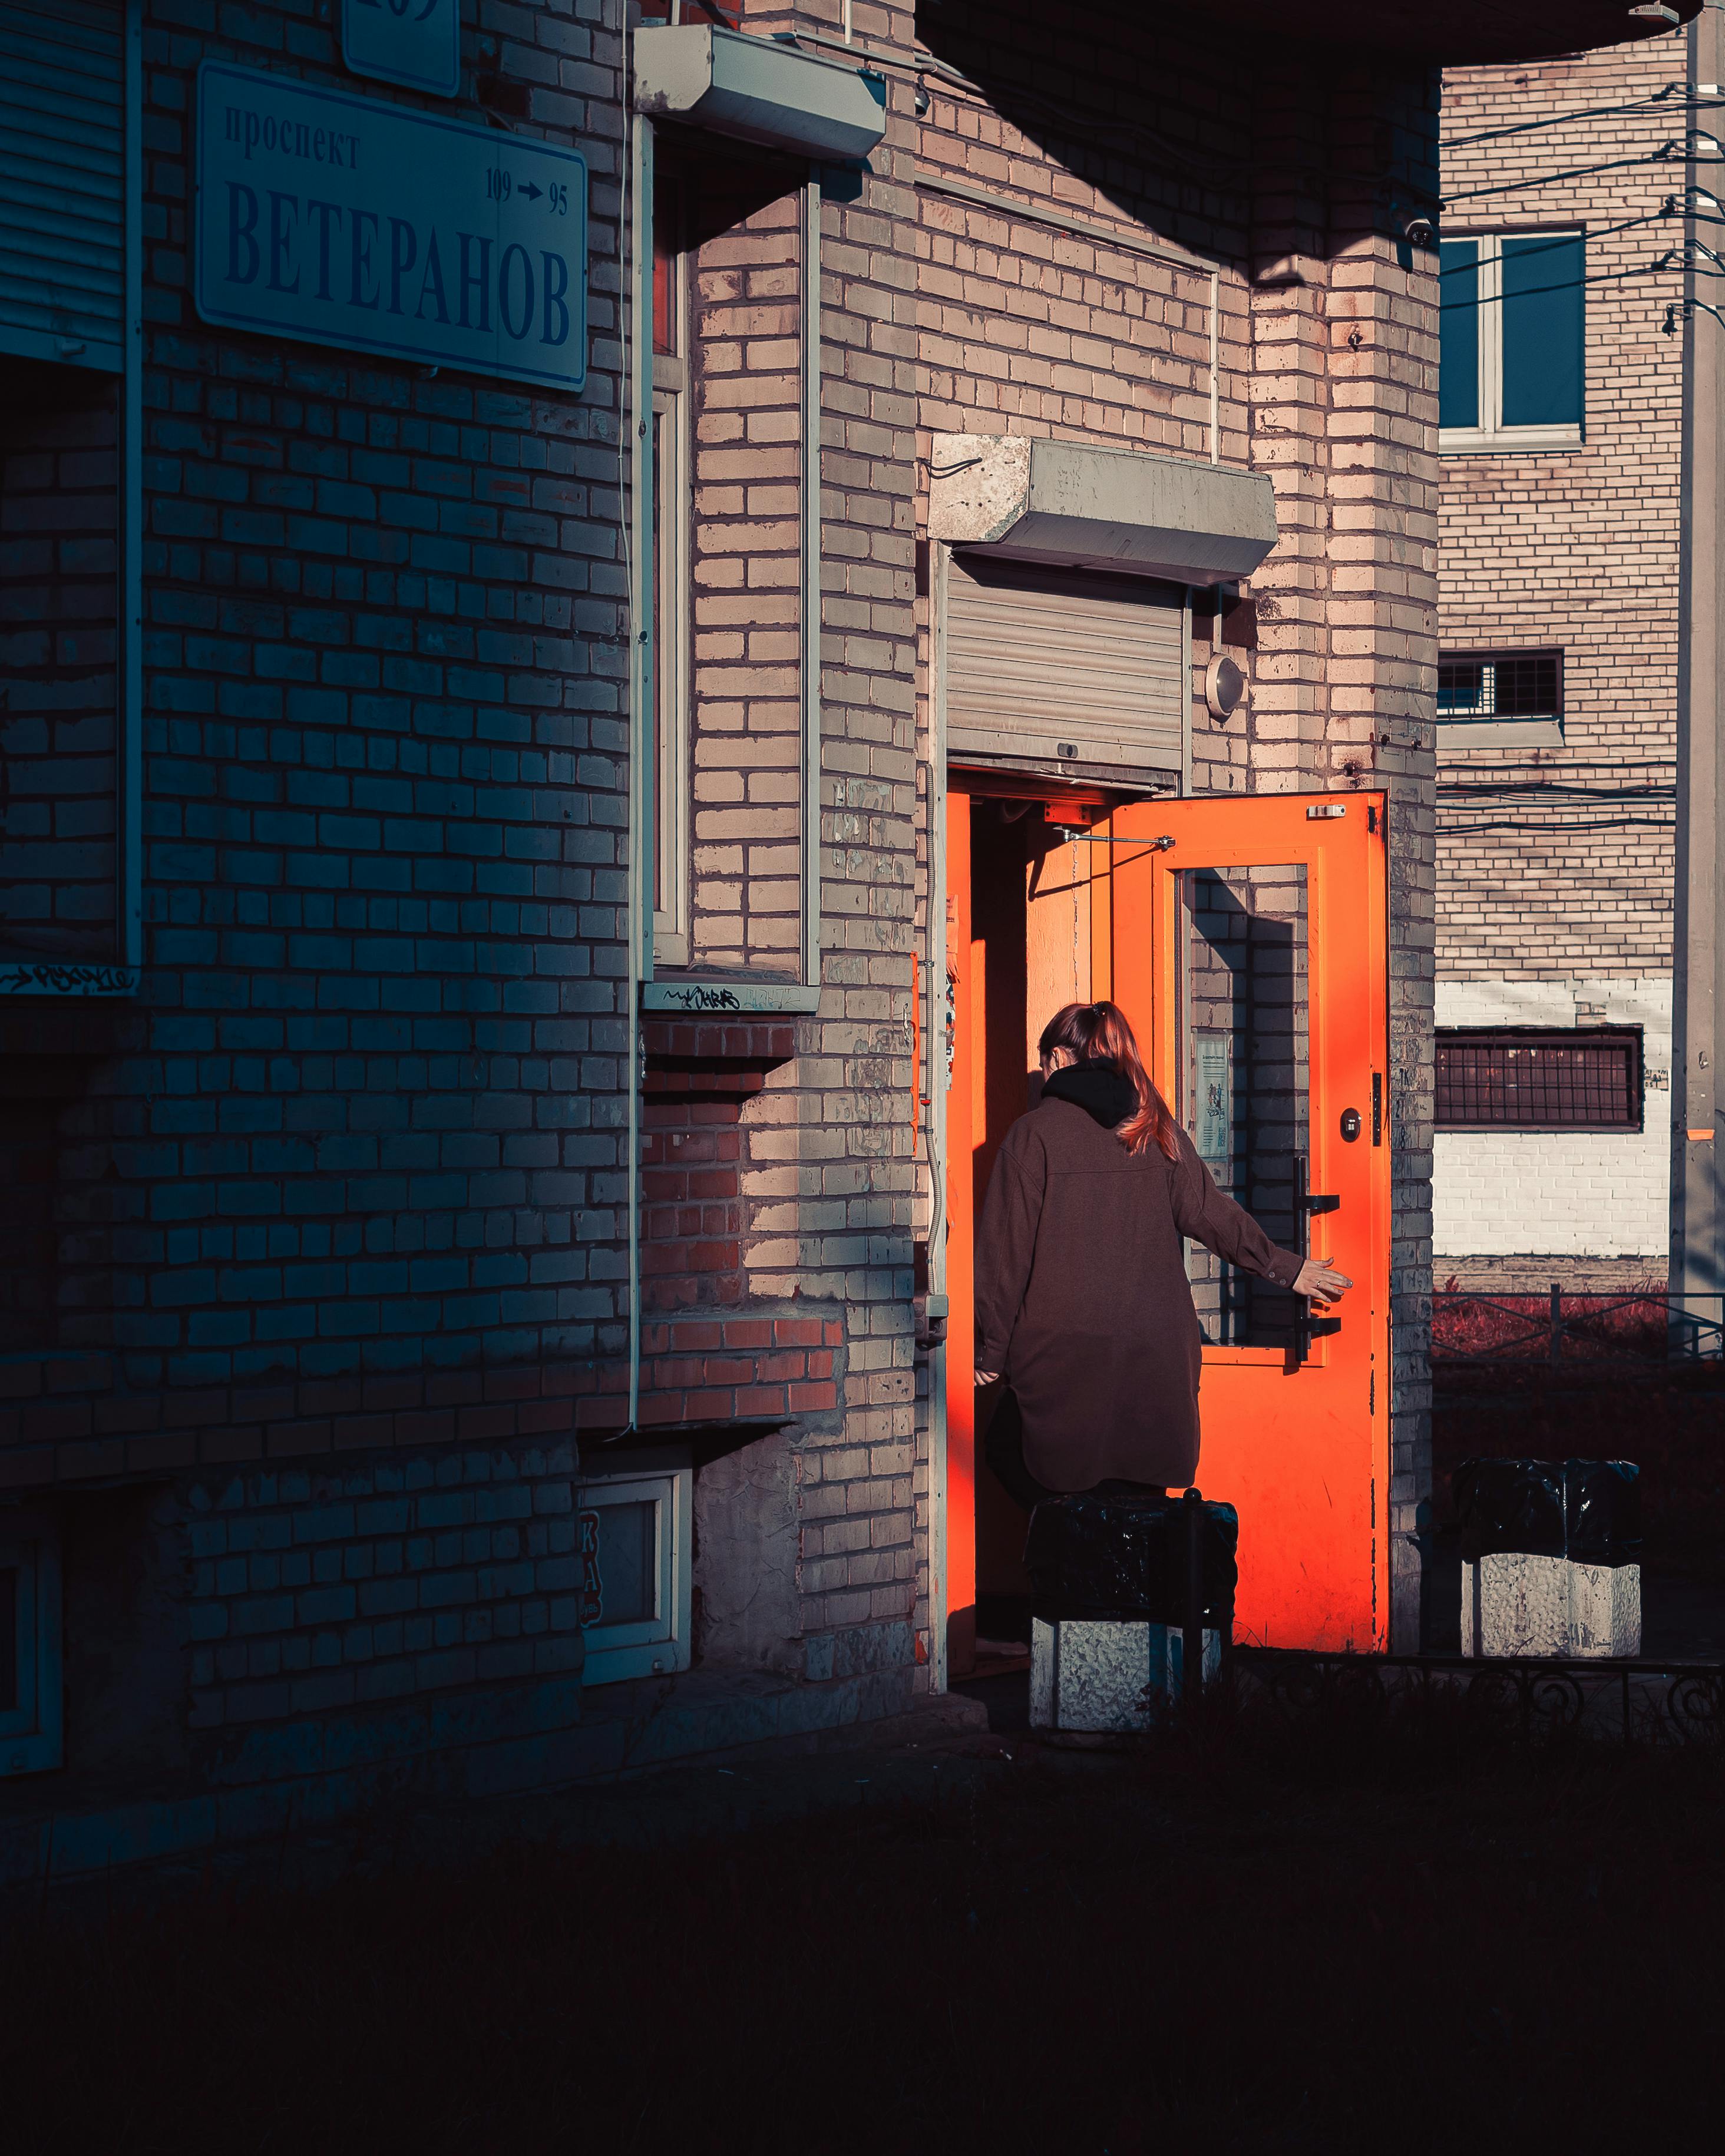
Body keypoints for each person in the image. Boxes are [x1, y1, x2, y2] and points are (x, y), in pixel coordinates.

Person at [973, 1000, 1351, 1509]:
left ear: (1061, 1059)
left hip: (1063, 1368)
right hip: (1156, 1368)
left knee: (1031, 1479)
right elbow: (1212, 1214)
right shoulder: (1154, 1129)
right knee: (1139, 1513)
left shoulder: (1033, 1135)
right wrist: (1288, 1267)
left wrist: (989, 1354)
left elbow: (1005, 1260)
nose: (1042, 1077)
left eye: (1043, 1063)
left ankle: (1081, 1585)